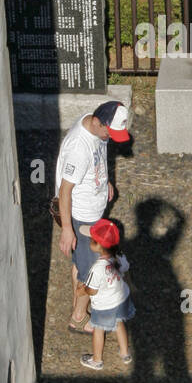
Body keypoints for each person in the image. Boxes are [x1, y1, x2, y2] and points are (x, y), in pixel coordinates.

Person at [54, 101, 131, 331]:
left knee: (81, 264)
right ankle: (78, 317)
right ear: (98, 122)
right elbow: (64, 191)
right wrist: (68, 229)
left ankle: (78, 307)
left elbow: (96, 159)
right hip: (82, 216)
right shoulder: (79, 147)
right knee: (92, 270)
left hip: (92, 210)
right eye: (110, 132)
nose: (110, 137)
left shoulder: (94, 126)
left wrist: (104, 179)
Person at [77, 218, 135, 370]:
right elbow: (126, 271)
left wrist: (81, 290)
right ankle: (125, 353)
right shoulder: (120, 255)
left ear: (97, 245)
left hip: (104, 306)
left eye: (91, 239)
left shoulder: (97, 268)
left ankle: (97, 360)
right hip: (121, 298)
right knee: (119, 322)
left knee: (98, 329)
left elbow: (92, 290)